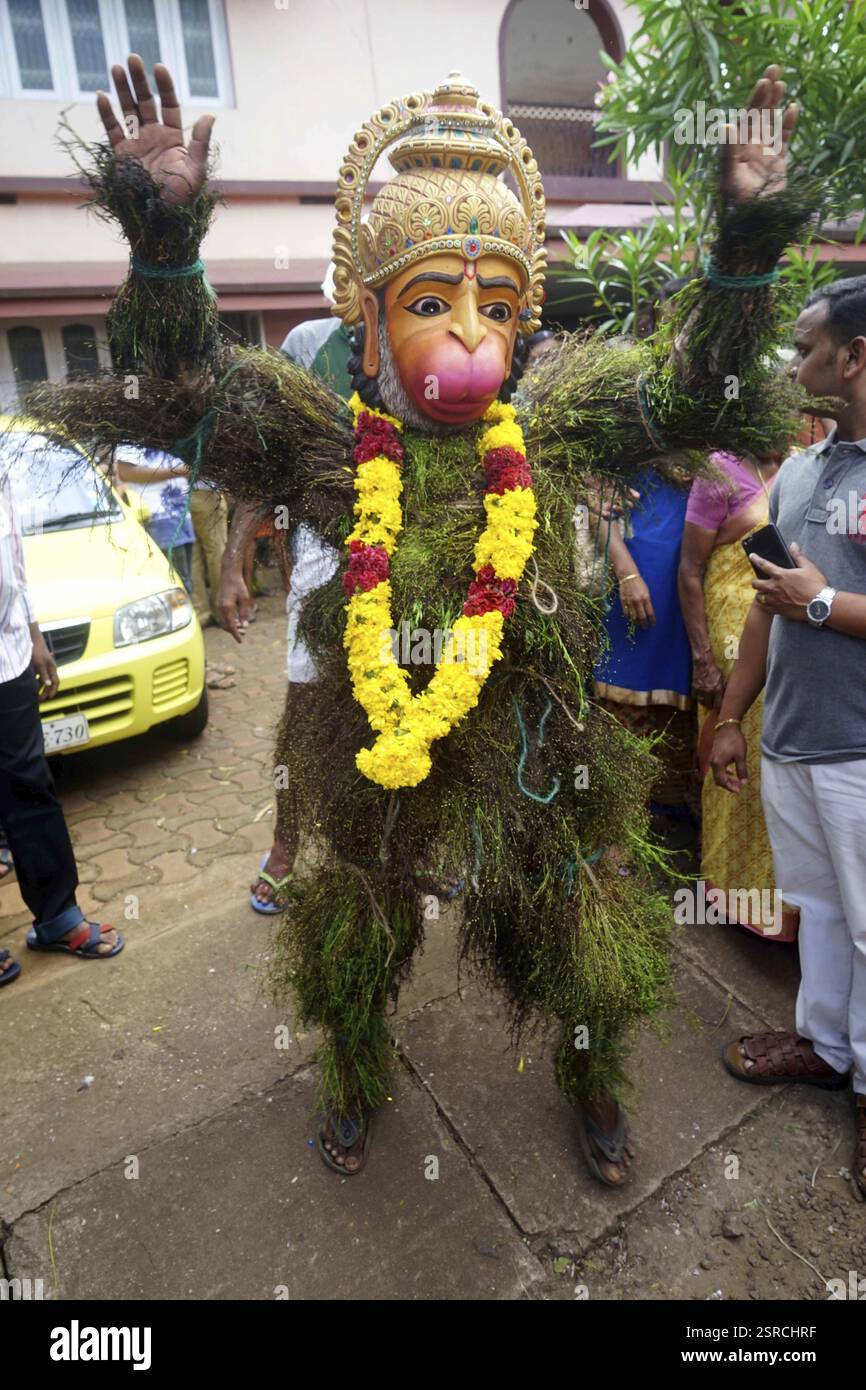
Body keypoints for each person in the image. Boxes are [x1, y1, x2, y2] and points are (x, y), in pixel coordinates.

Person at [31, 56, 809, 1186]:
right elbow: (182, 396)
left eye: (494, 305)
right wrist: (163, 249)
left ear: (524, 317)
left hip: (538, 755)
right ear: (370, 306)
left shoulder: (552, 430)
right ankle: (352, 1076)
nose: (467, 336)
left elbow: (694, 397)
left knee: (586, 941)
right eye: (431, 304)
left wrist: (740, 256)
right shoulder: (326, 444)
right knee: (353, 934)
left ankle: (591, 1086)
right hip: (374, 757)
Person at [711, 275, 866, 1198]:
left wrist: (826, 603)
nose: (793, 362)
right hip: (794, 743)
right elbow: (768, 612)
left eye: (807, 346)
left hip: (860, 751)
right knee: (819, 911)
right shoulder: (801, 469)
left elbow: (806, 602)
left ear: (853, 356)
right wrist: (731, 718)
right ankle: (826, 1046)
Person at [218, 299, 350, 913]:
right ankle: (286, 850)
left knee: (413, 702)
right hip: (323, 556)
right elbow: (268, 461)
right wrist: (233, 561)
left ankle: (416, 849)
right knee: (304, 715)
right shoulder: (312, 344)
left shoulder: (432, 347)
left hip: (414, 557)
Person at [0, 462, 124, 985]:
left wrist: (32, 635)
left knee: (29, 784)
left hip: (6, 656)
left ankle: (57, 917)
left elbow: (13, 560)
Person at [679, 449, 799, 939]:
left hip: (789, 640)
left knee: (777, 768)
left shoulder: (802, 466)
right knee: (734, 759)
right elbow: (690, 569)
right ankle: (731, 892)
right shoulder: (719, 469)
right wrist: (703, 657)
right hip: (734, 651)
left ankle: (788, 907)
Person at [593, 463, 696, 841]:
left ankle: (668, 813)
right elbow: (597, 506)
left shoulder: (712, 449)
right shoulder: (626, 430)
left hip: (690, 586)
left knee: (682, 709)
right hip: (632, 579)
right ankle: (621, 827)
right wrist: (627, 574)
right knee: (623, 700)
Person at [114, 445, 194, 593]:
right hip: (158, 521)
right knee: (174, 586)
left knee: (186, 582)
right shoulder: (129, 442)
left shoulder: (167, 437)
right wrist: (176, 472)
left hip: (181, 518)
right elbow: (126, 472)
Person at [190, 479, 228, 628]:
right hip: (206, 493)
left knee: (194, 556)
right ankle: (223, 610)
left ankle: (201, 612)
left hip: (179, 494)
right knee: (217, 551)